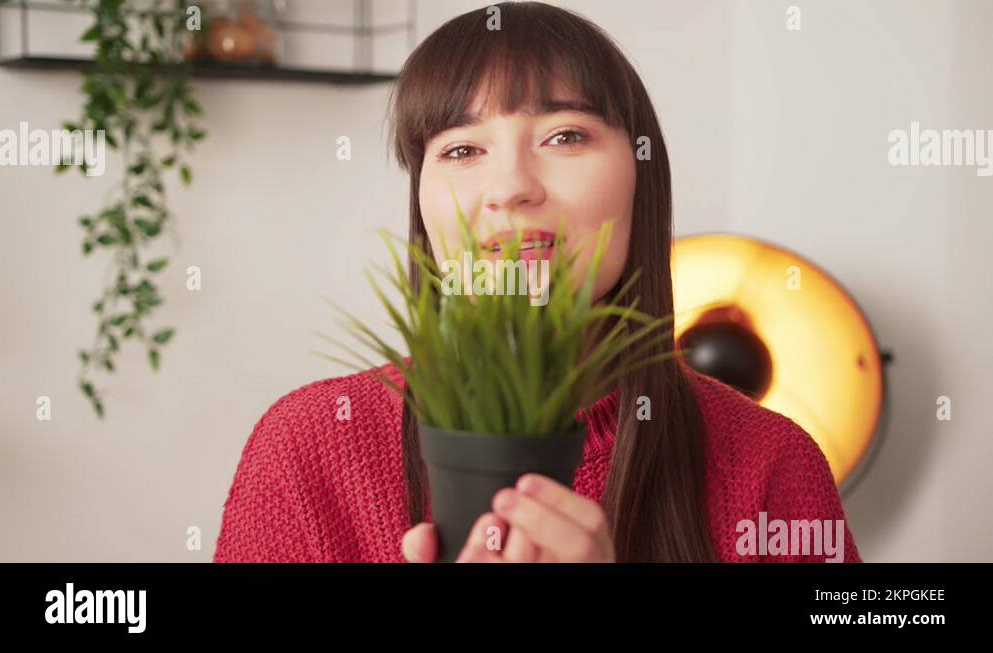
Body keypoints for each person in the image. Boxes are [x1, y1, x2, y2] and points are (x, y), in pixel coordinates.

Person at [214, 1, 861, 563]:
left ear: (642, 176)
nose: (510, 188)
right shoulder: (309, 447)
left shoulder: (772, 462)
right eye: (462, 150)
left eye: (564, 136)